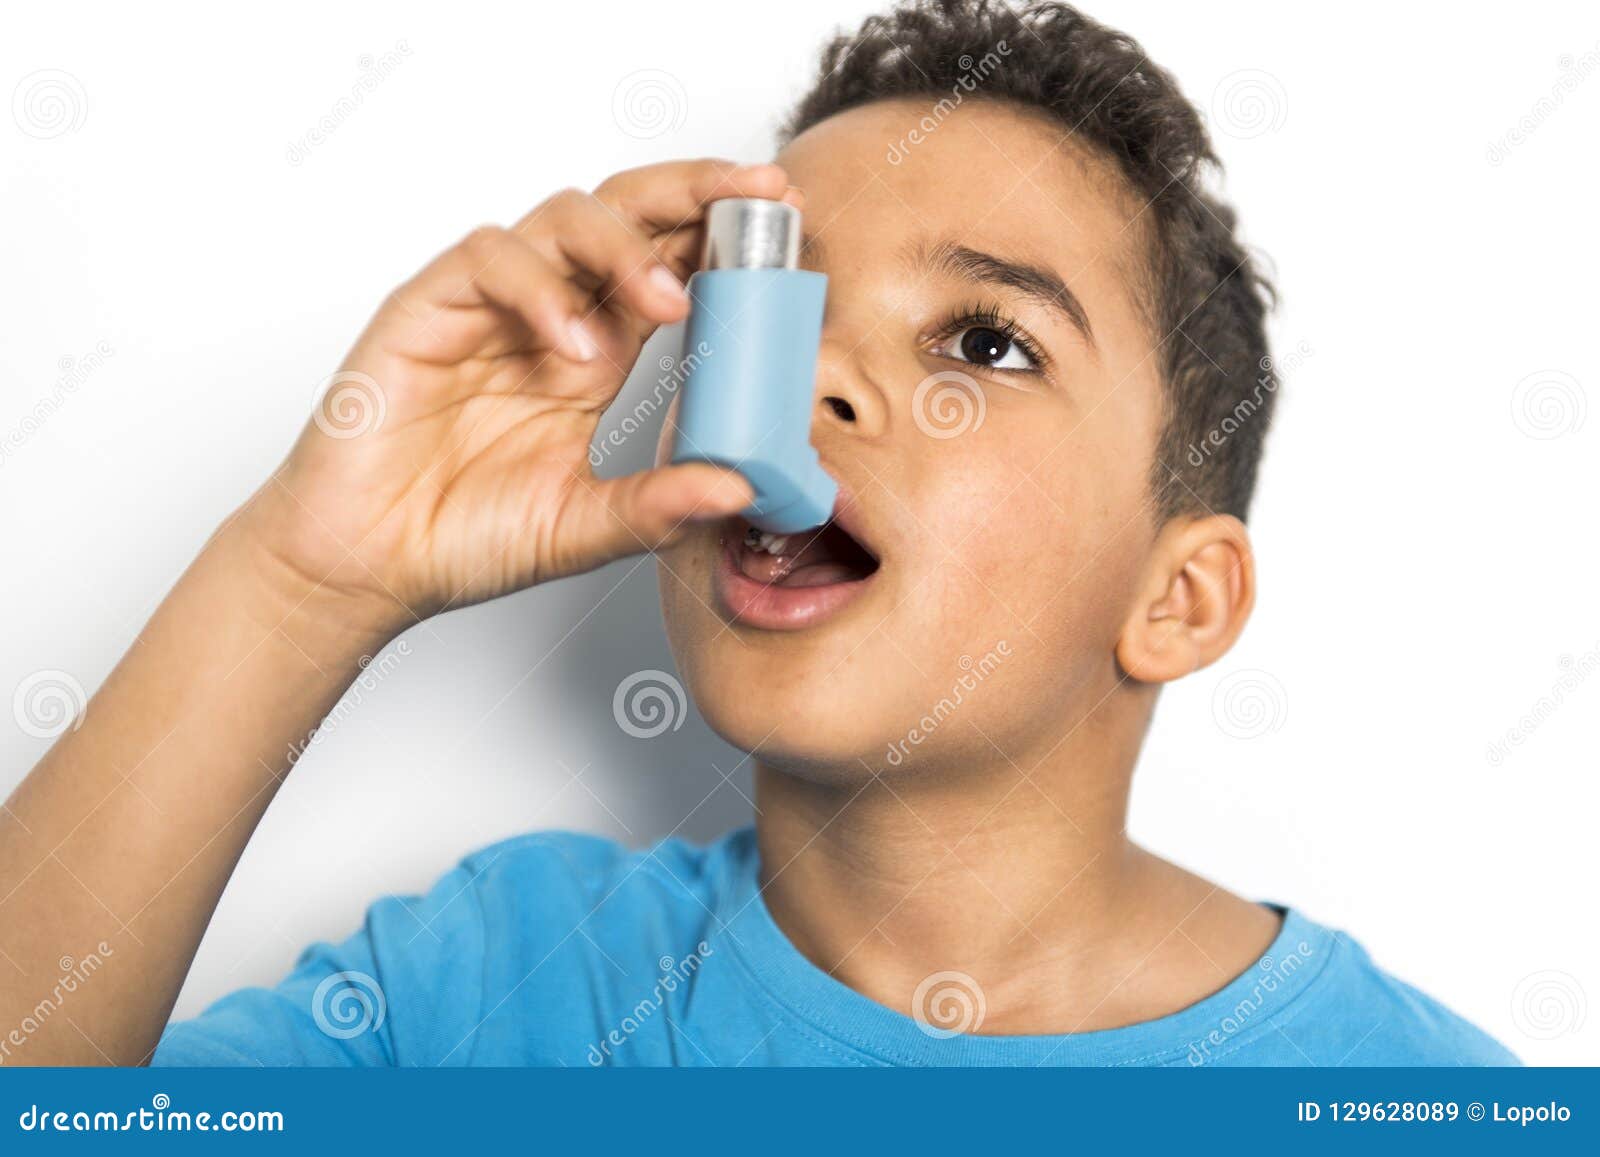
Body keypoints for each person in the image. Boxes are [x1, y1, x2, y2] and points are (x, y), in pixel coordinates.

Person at [0, 0, 1514, 1066]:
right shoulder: (491, 988)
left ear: (1180, 599)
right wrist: (302, 575)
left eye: (984, 342)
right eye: (766, 305)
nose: (814, 382)